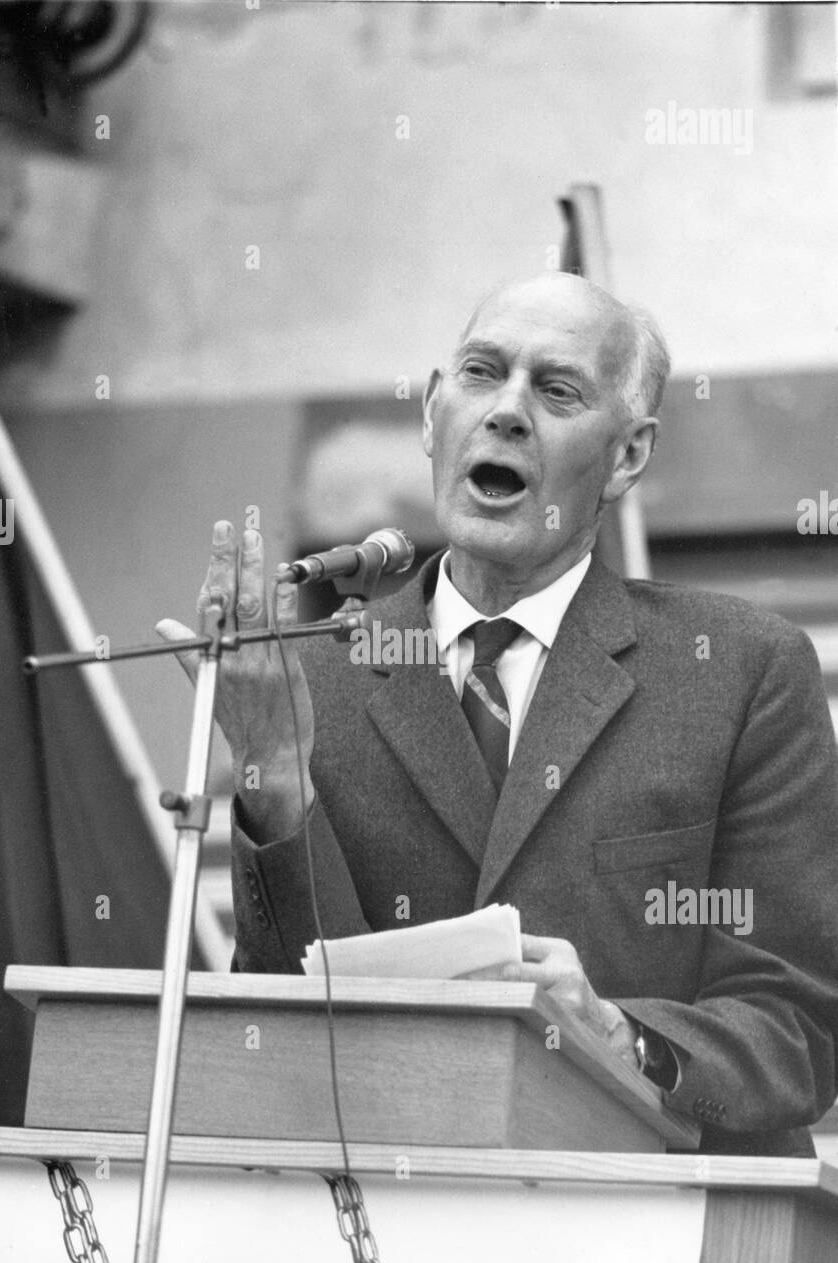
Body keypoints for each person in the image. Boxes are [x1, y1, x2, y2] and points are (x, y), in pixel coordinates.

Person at [157, 272, 838, 1156]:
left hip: (643, 1232)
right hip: (381, 1217)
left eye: (557, 391)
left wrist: (618, 1034)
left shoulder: (742, 670)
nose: (507, 411)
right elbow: (287, 1015)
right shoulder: (311, 679)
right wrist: (273, 771)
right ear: (432, 415)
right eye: (481, 375)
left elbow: (799, 1029)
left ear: (628, 455)